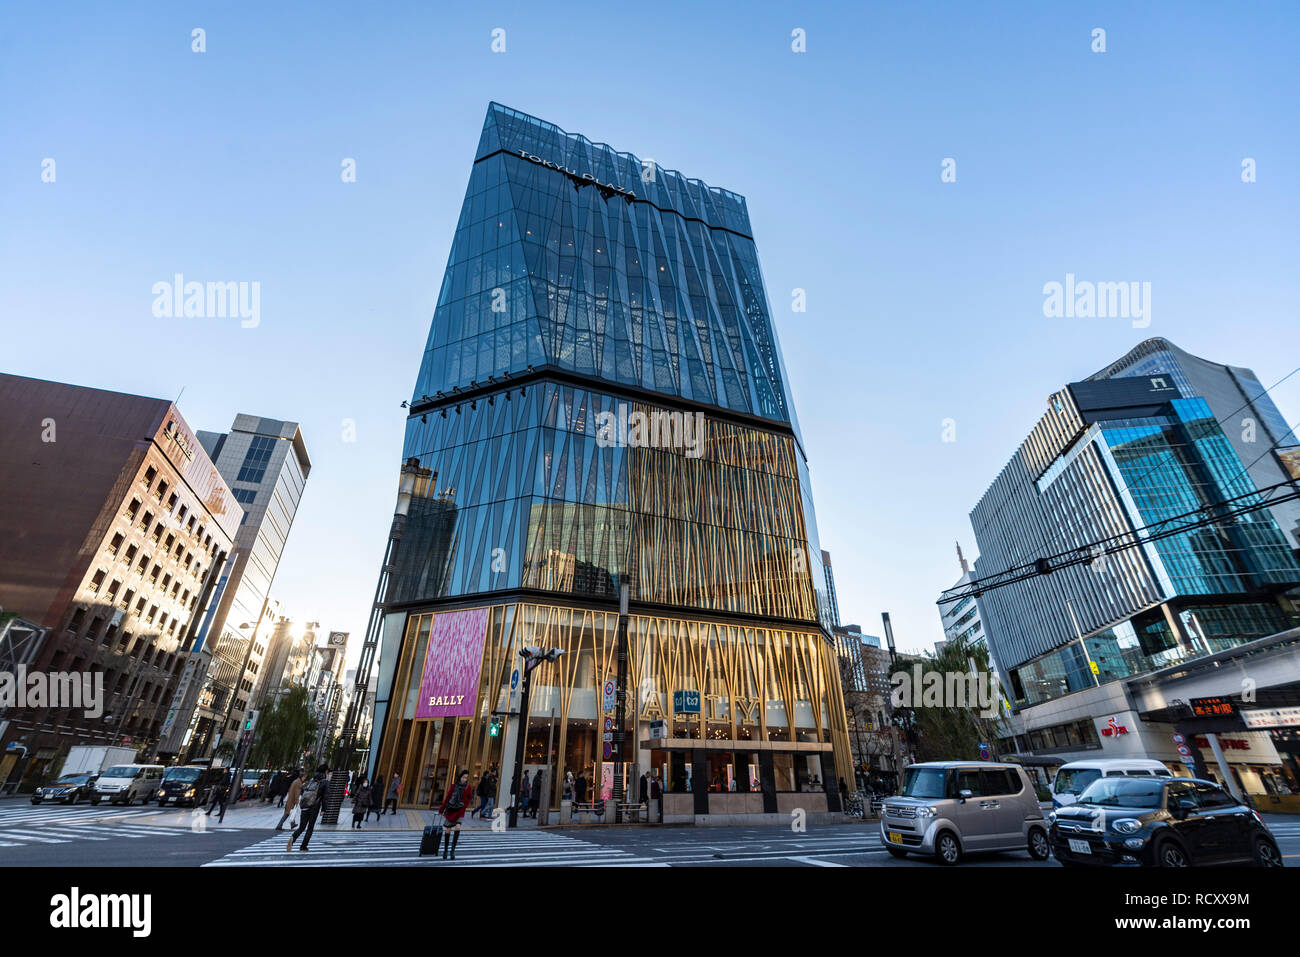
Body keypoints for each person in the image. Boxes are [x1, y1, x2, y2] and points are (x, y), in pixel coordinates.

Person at [287, 764, 329, 852]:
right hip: (314, 807)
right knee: (310, 828)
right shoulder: (325, 782)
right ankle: (303, 846)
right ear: (325, 771)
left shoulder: (311, 780)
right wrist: (324, 809)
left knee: (302, 827)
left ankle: (293, 838)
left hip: (305, 806)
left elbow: (303, 791)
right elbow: (325, 797)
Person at [437, 769, 475, 860]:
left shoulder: (468, 787)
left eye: (466, 778)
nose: (464, 779)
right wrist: (441, 809)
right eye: (463, 777)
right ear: (460, 777)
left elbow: (470, 797)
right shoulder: (454, 786)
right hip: (451, 809)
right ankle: (446, 849)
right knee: (448, 829)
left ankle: (452, 850)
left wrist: (464, 805)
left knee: (458, 827)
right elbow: (448, 797)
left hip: (460, 811)